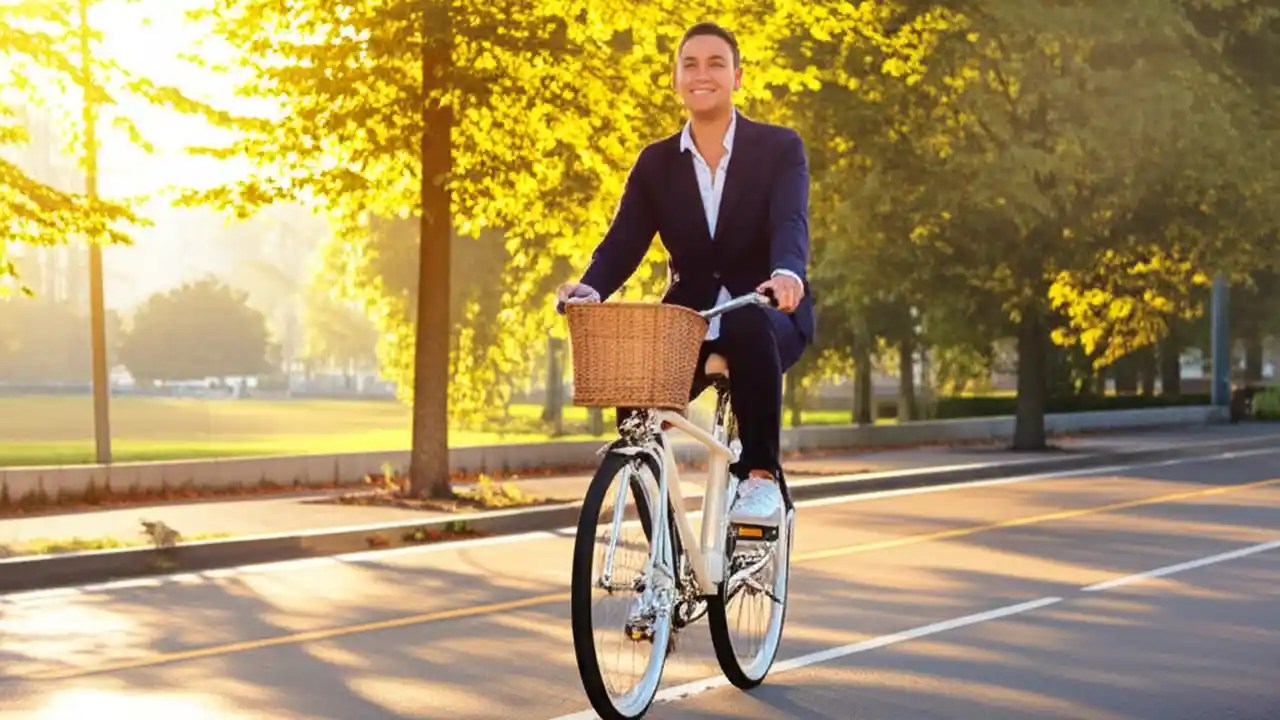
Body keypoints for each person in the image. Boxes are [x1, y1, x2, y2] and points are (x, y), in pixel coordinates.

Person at [556, 21, 814, 529]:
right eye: (689, 64)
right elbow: (623, 242)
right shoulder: (656, 163)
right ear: (675, 79)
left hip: (765, 312)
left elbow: (790, 221)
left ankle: (760, 477)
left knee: (748, 327)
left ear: (737, 77)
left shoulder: (779, 148)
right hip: (691, 318)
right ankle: (661, 546)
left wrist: (786, 273)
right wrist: (591, 286)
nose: (702, 74)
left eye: (716, 63)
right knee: (636, 377)